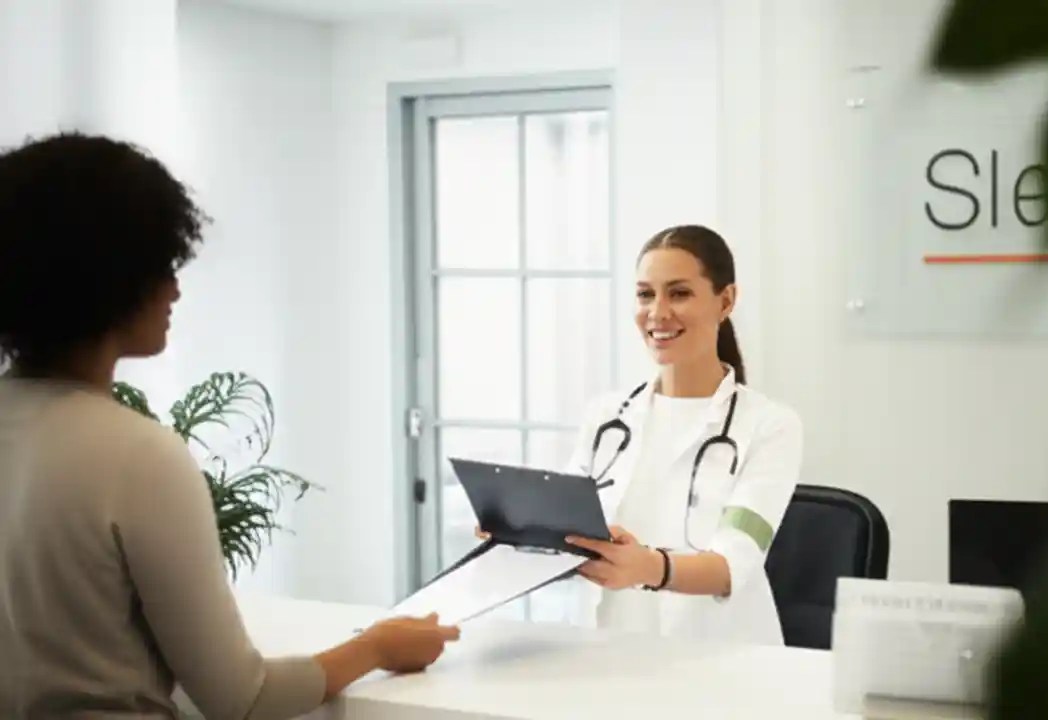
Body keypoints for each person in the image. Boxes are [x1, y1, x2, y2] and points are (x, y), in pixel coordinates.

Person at [0, 132, 459, 719]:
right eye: (163, 266)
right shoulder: (136, 455)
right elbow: (243, 698)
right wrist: (376, 646)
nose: (175, 289)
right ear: (111, 279)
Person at [562, 224, 803, 645]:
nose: (657, 313)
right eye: (645, 294)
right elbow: (566, 524)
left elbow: (731, 566)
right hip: (611, 652)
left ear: (725, 301)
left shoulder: (771, 425)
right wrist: (521, 533)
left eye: (679, 293)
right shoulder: (606, 417)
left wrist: (647, 567)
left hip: (725, 661)